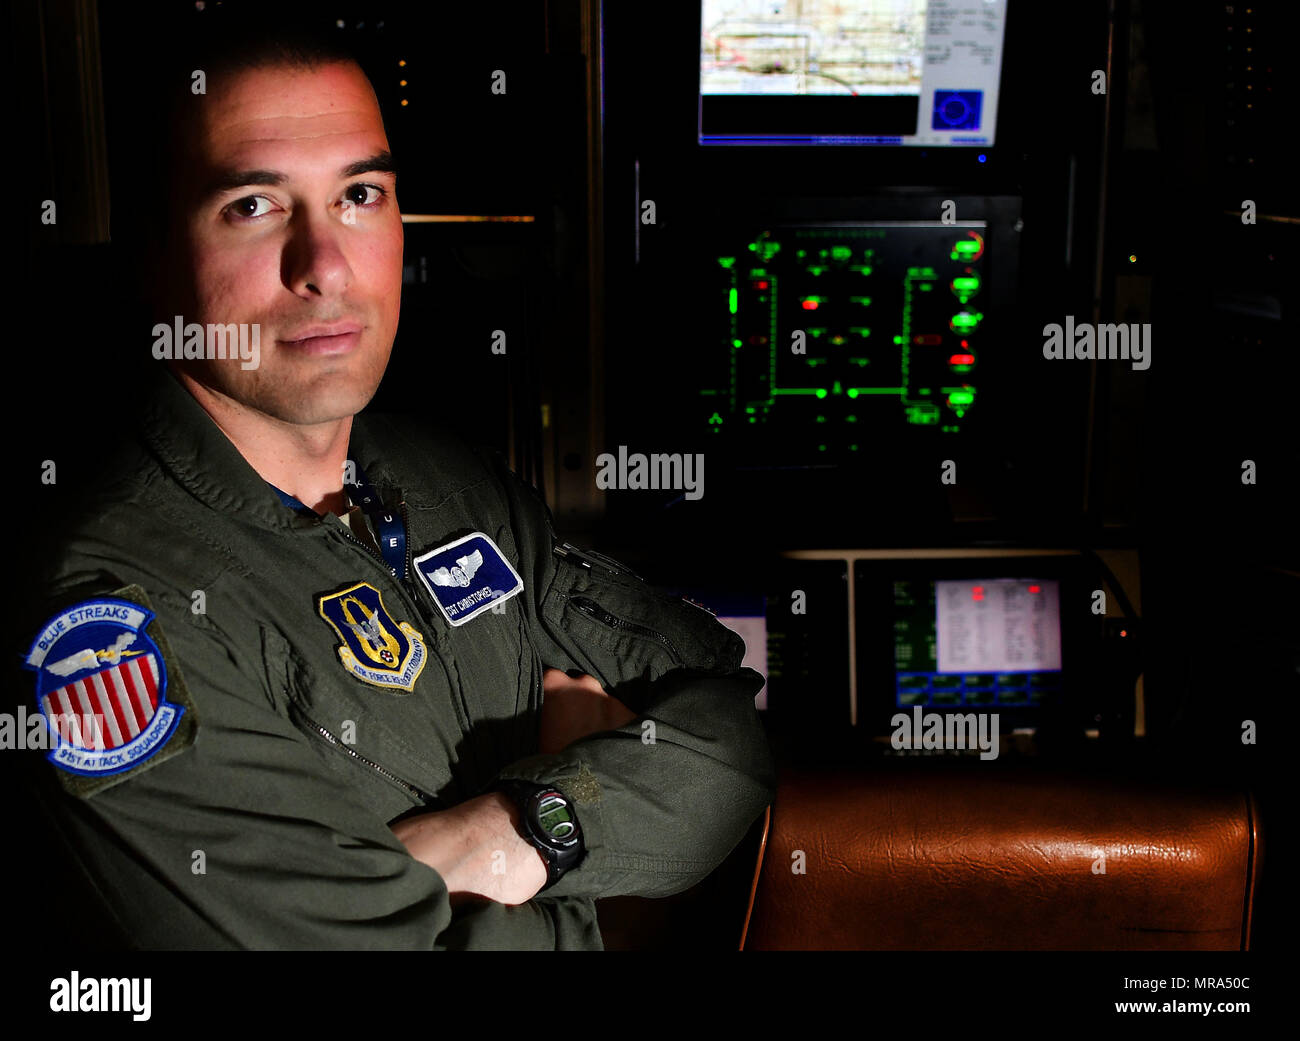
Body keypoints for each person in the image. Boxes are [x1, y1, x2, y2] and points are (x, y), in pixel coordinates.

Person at [17, 19, 774, 949]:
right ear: (151, 252)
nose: (325, 266)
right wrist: (588, 856)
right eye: (254, 206)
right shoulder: (107, 625)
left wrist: (528, 826)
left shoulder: (450, 485)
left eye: (360, 194)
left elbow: (728, 732)